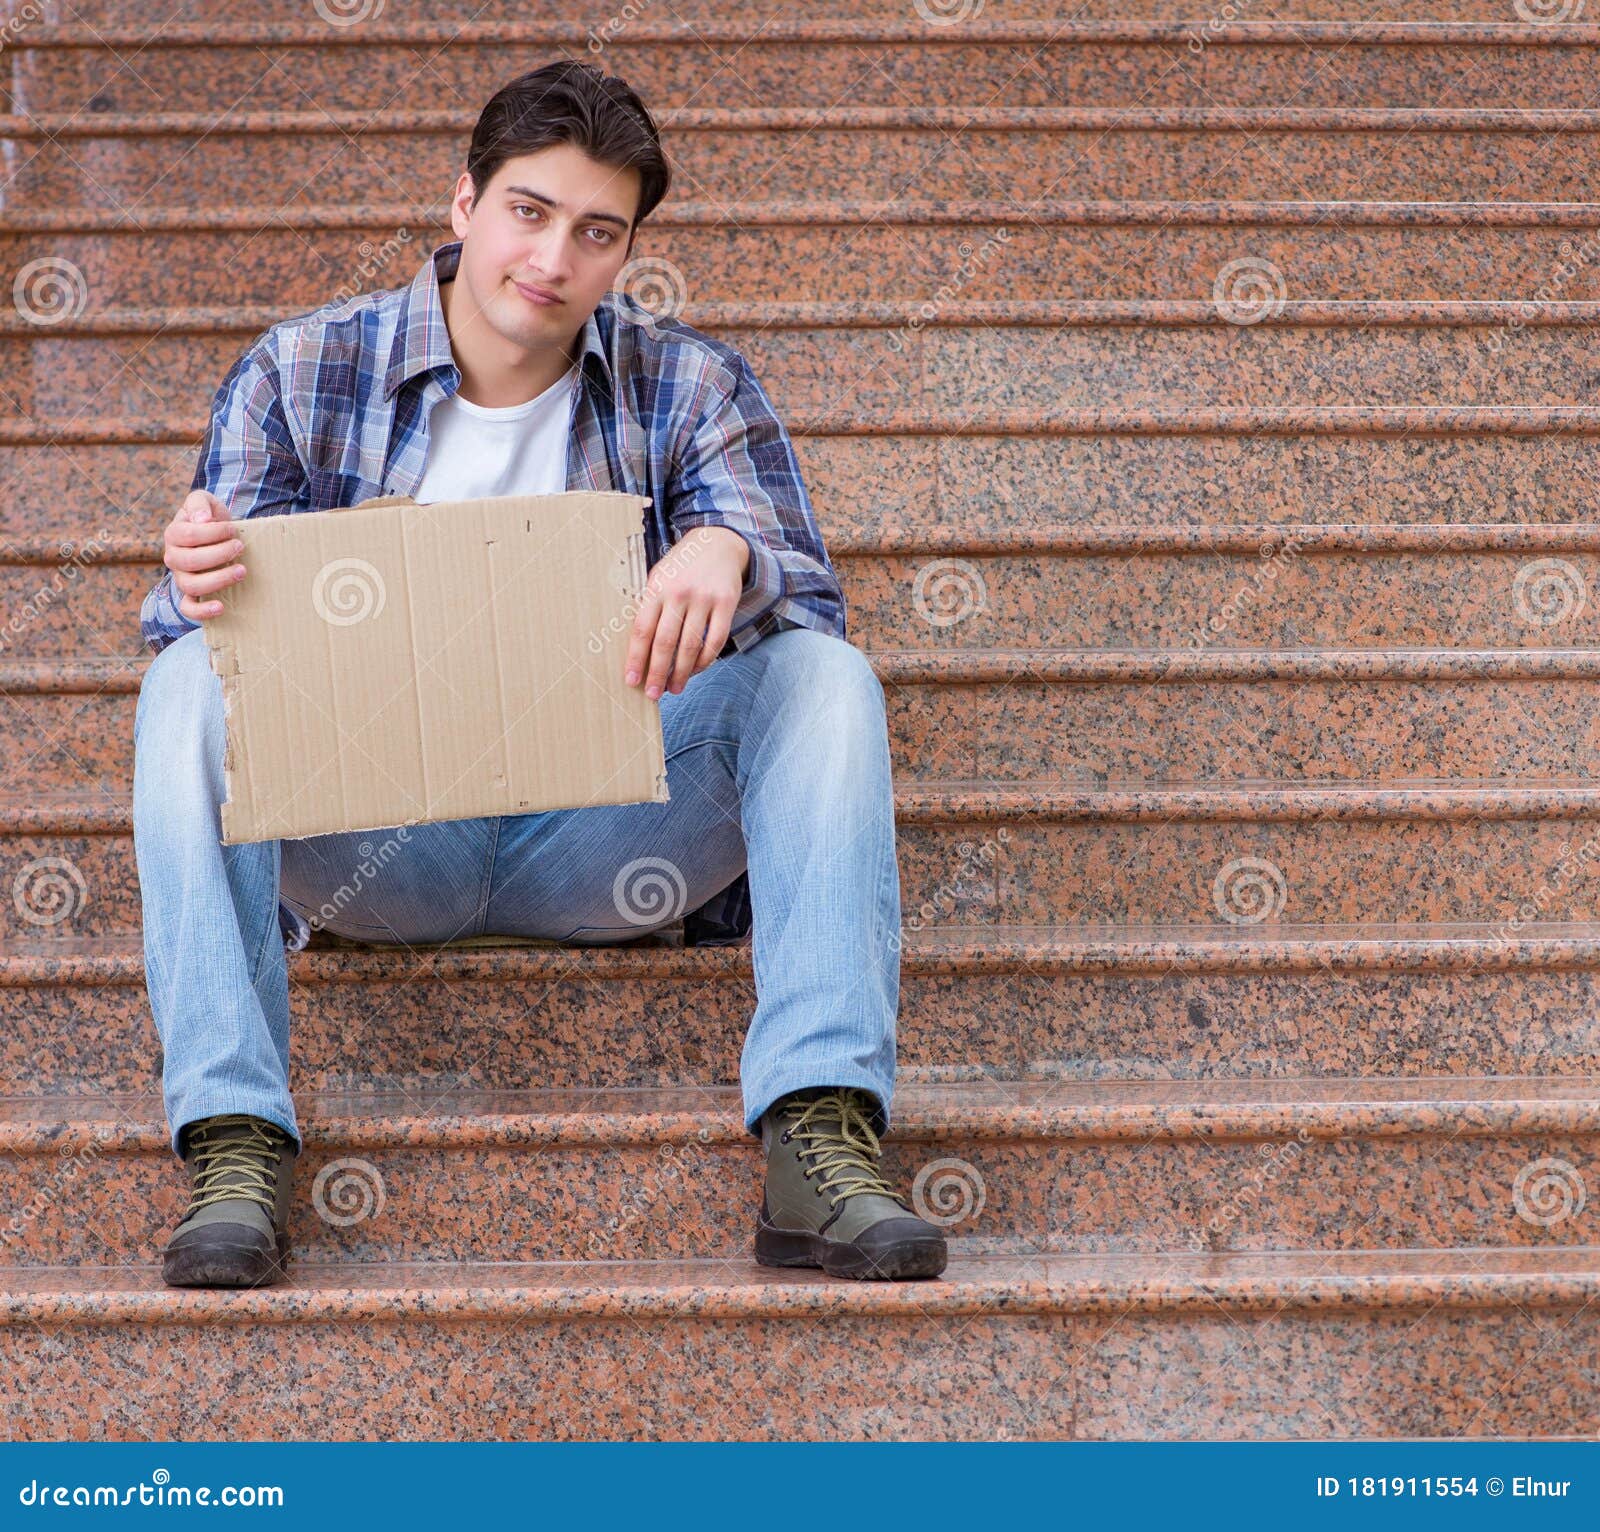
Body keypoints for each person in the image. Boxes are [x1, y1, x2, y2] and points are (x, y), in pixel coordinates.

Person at [133, 59, 948, 1290]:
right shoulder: (302, 369)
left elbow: (807, 607)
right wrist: (199, 577)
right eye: (528, 211)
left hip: (607, 835)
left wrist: (729, 551)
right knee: (188, 681)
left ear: (627, 251)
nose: (553, 258)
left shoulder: (691, 382)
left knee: (824, 677)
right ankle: (235, 1136)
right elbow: (193, 640)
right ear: (464, 203)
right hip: (377, 846)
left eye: (596, 232)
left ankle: (816, 1134)